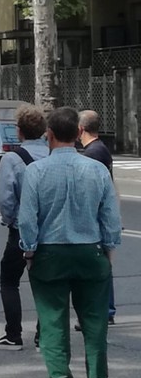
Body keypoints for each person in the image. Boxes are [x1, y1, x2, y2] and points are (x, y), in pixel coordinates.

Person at [18, 106, 121, 378]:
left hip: (50, 252)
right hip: (90, 251)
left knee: (53, 323)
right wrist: (109, 250)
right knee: (95, 323)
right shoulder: (97, 170)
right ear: (78, 134)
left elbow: (27, 219)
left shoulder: (35, 171)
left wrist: (29, 250)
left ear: (48, 136)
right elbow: (111, 218)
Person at [0, 104, 49, 350]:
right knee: (44, 283)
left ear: (19, 131)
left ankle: (13, 334)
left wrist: (9, 220)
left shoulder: (13, 158)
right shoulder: (52, 155)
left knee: (9, 279)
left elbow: (6, 197)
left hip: (22, 229)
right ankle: (44, 335)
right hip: (50, 230)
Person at [78, 110, 116, 326]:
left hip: (97, 217)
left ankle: (102, 310)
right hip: (104, 214)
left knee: (97, 268)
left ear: (80, 129)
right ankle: (106, 310)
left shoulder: (92, 153)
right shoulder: (101, 149)